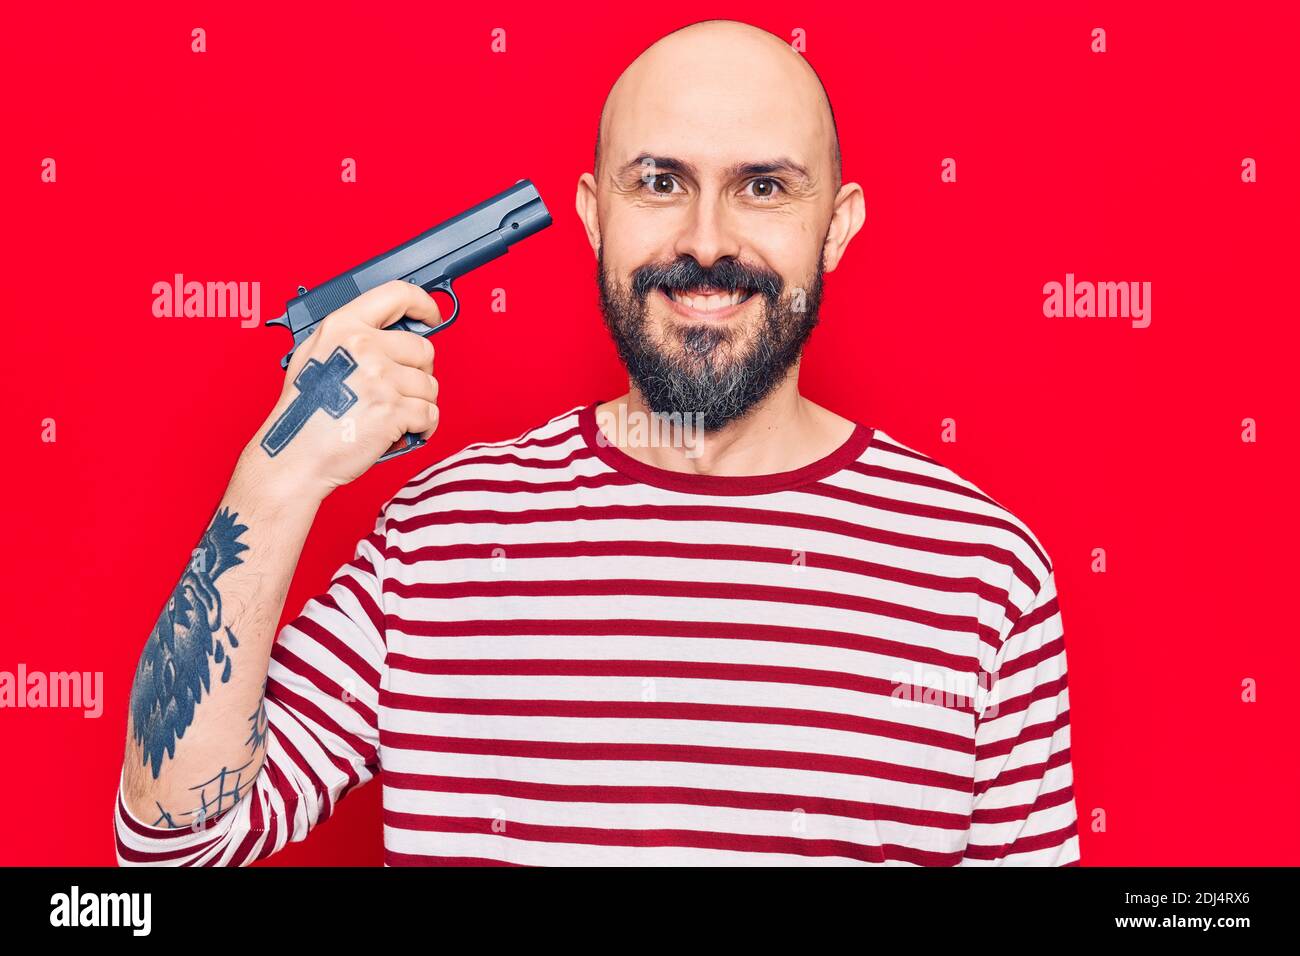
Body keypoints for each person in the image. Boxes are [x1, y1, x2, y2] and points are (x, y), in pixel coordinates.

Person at [116, 18, 1079, 866]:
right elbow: (174, 843)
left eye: (764, 187)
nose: (707, 241)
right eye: (660, 181)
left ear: (838, 226)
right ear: (592, 216)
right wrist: (276, 479)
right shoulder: (440, 537)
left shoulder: (982, 573)